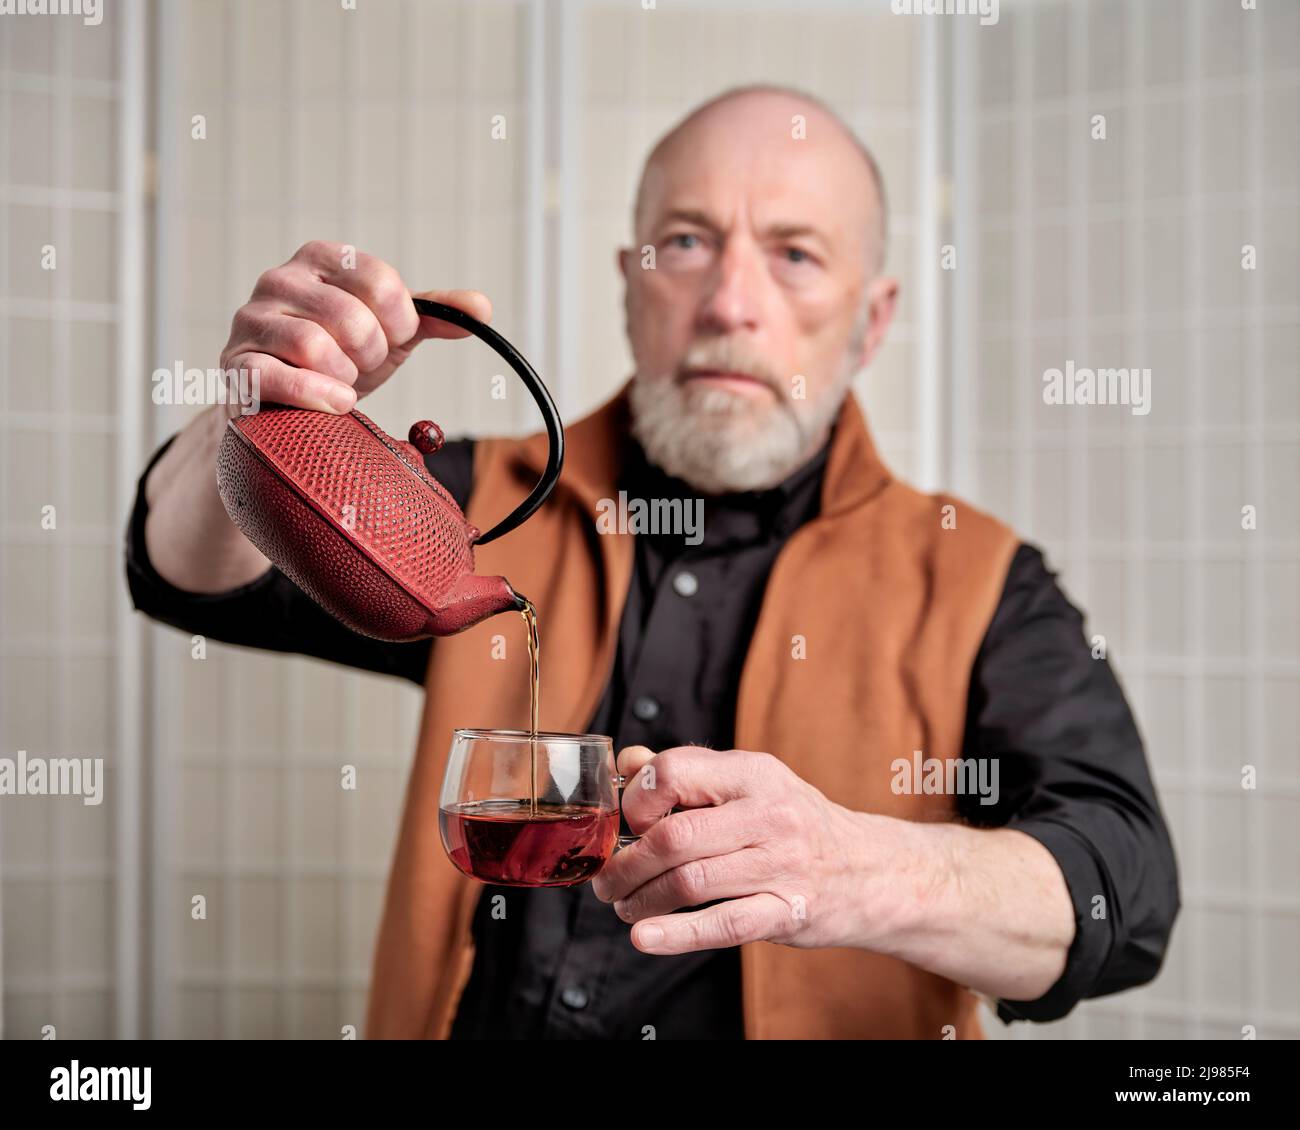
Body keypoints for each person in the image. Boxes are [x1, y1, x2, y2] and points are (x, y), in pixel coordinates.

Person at [125, 84, 1180, 1039]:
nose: (730, 301)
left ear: (873, 319)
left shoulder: (975, 579)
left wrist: (855, 867)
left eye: (795, 253)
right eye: (685, 241)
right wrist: (258, 411)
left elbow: (1125, 895)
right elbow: (190, 574)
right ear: (629, 283)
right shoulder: (484, 504)